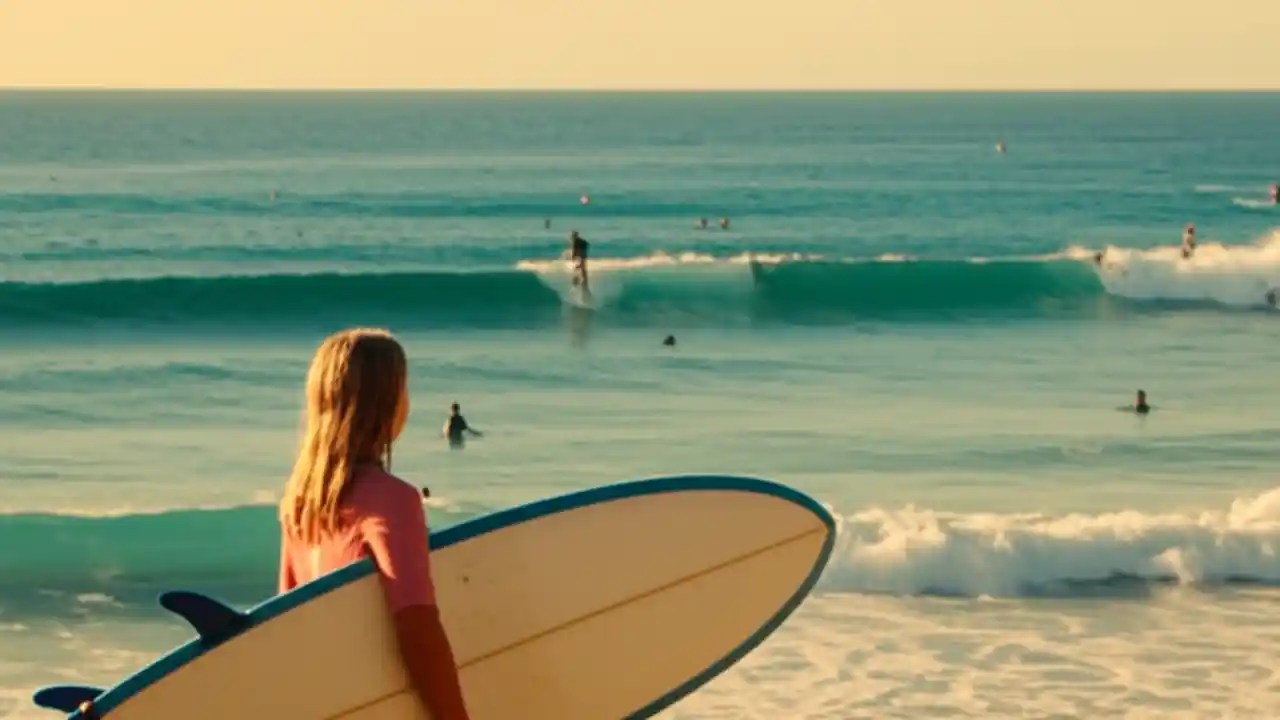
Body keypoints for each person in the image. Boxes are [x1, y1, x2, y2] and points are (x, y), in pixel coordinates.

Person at [278, 329, 471, 720]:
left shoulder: (299, 505)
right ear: (387, 405)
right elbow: (417, 624)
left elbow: (287, 625)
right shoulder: (392, 500)